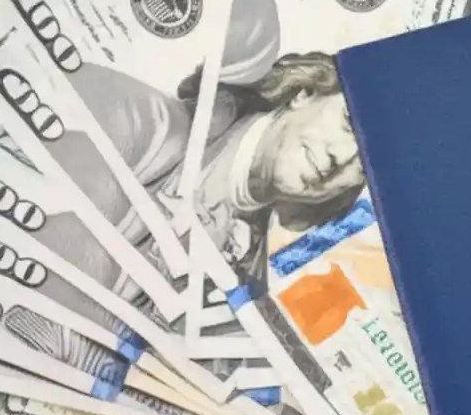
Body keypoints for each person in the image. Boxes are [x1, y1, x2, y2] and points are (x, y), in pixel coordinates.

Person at [73, 51, 365, 291]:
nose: (341, 155)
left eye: (364, 168)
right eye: (348, 121)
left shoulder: (248, 286)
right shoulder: (140, 123)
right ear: (305, 94)